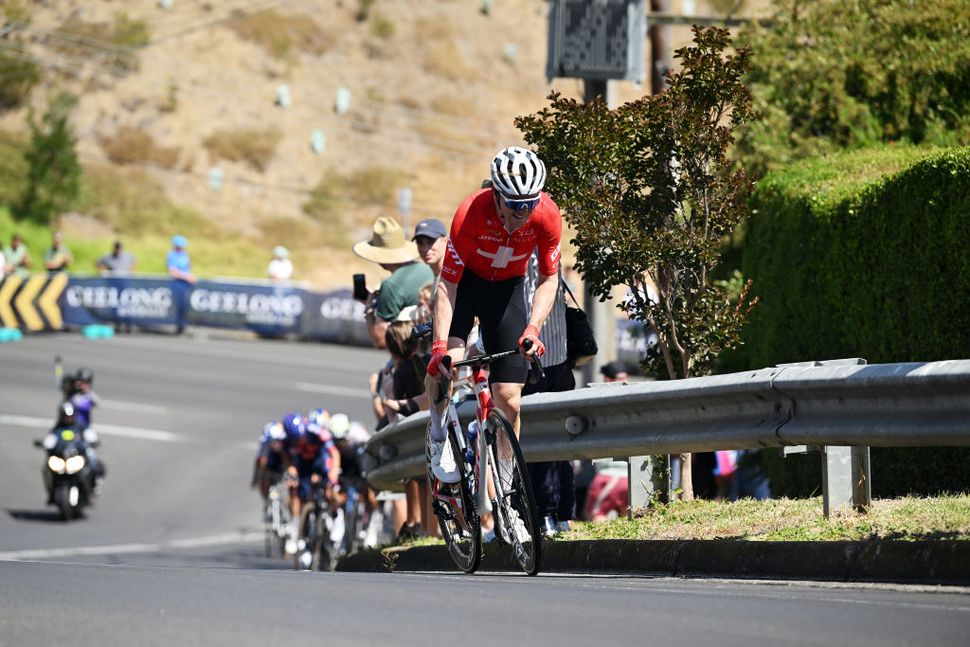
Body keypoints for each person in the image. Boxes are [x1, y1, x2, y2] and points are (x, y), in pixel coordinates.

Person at [426, 146, 562, 484]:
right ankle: (438, 432)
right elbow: (447, 287)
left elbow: (549, 278)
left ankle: (506, 488)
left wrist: (533, 328)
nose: (524, 212)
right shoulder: (471, 213)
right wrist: (439, 347)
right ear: (498, 196)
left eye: (530, 203)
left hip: (507, 290)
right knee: (449, 366)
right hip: (466, 286)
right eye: (516, 205)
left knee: (509, 400)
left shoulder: (546, 215)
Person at [521, 250, 577, 538]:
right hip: (540, 357)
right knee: (547, 440)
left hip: (548, 359)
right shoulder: (543, 251)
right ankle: (551, 513)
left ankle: (552, 513)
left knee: (548, 440)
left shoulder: (539, 253)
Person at [352, 216, 434, 350]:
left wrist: (369, 309)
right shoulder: (428, 269)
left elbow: (381, 340)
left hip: (413, 354)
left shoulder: (391, 285)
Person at [166, 234, 196, 335]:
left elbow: (188, 266)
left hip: (187, 283)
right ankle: (179, 326)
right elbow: (173, 271)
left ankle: (183, 325)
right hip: (179, 283)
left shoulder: (184, 254)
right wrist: (187, 277)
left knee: (186, 305)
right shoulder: (172, 255)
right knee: (180, 305)